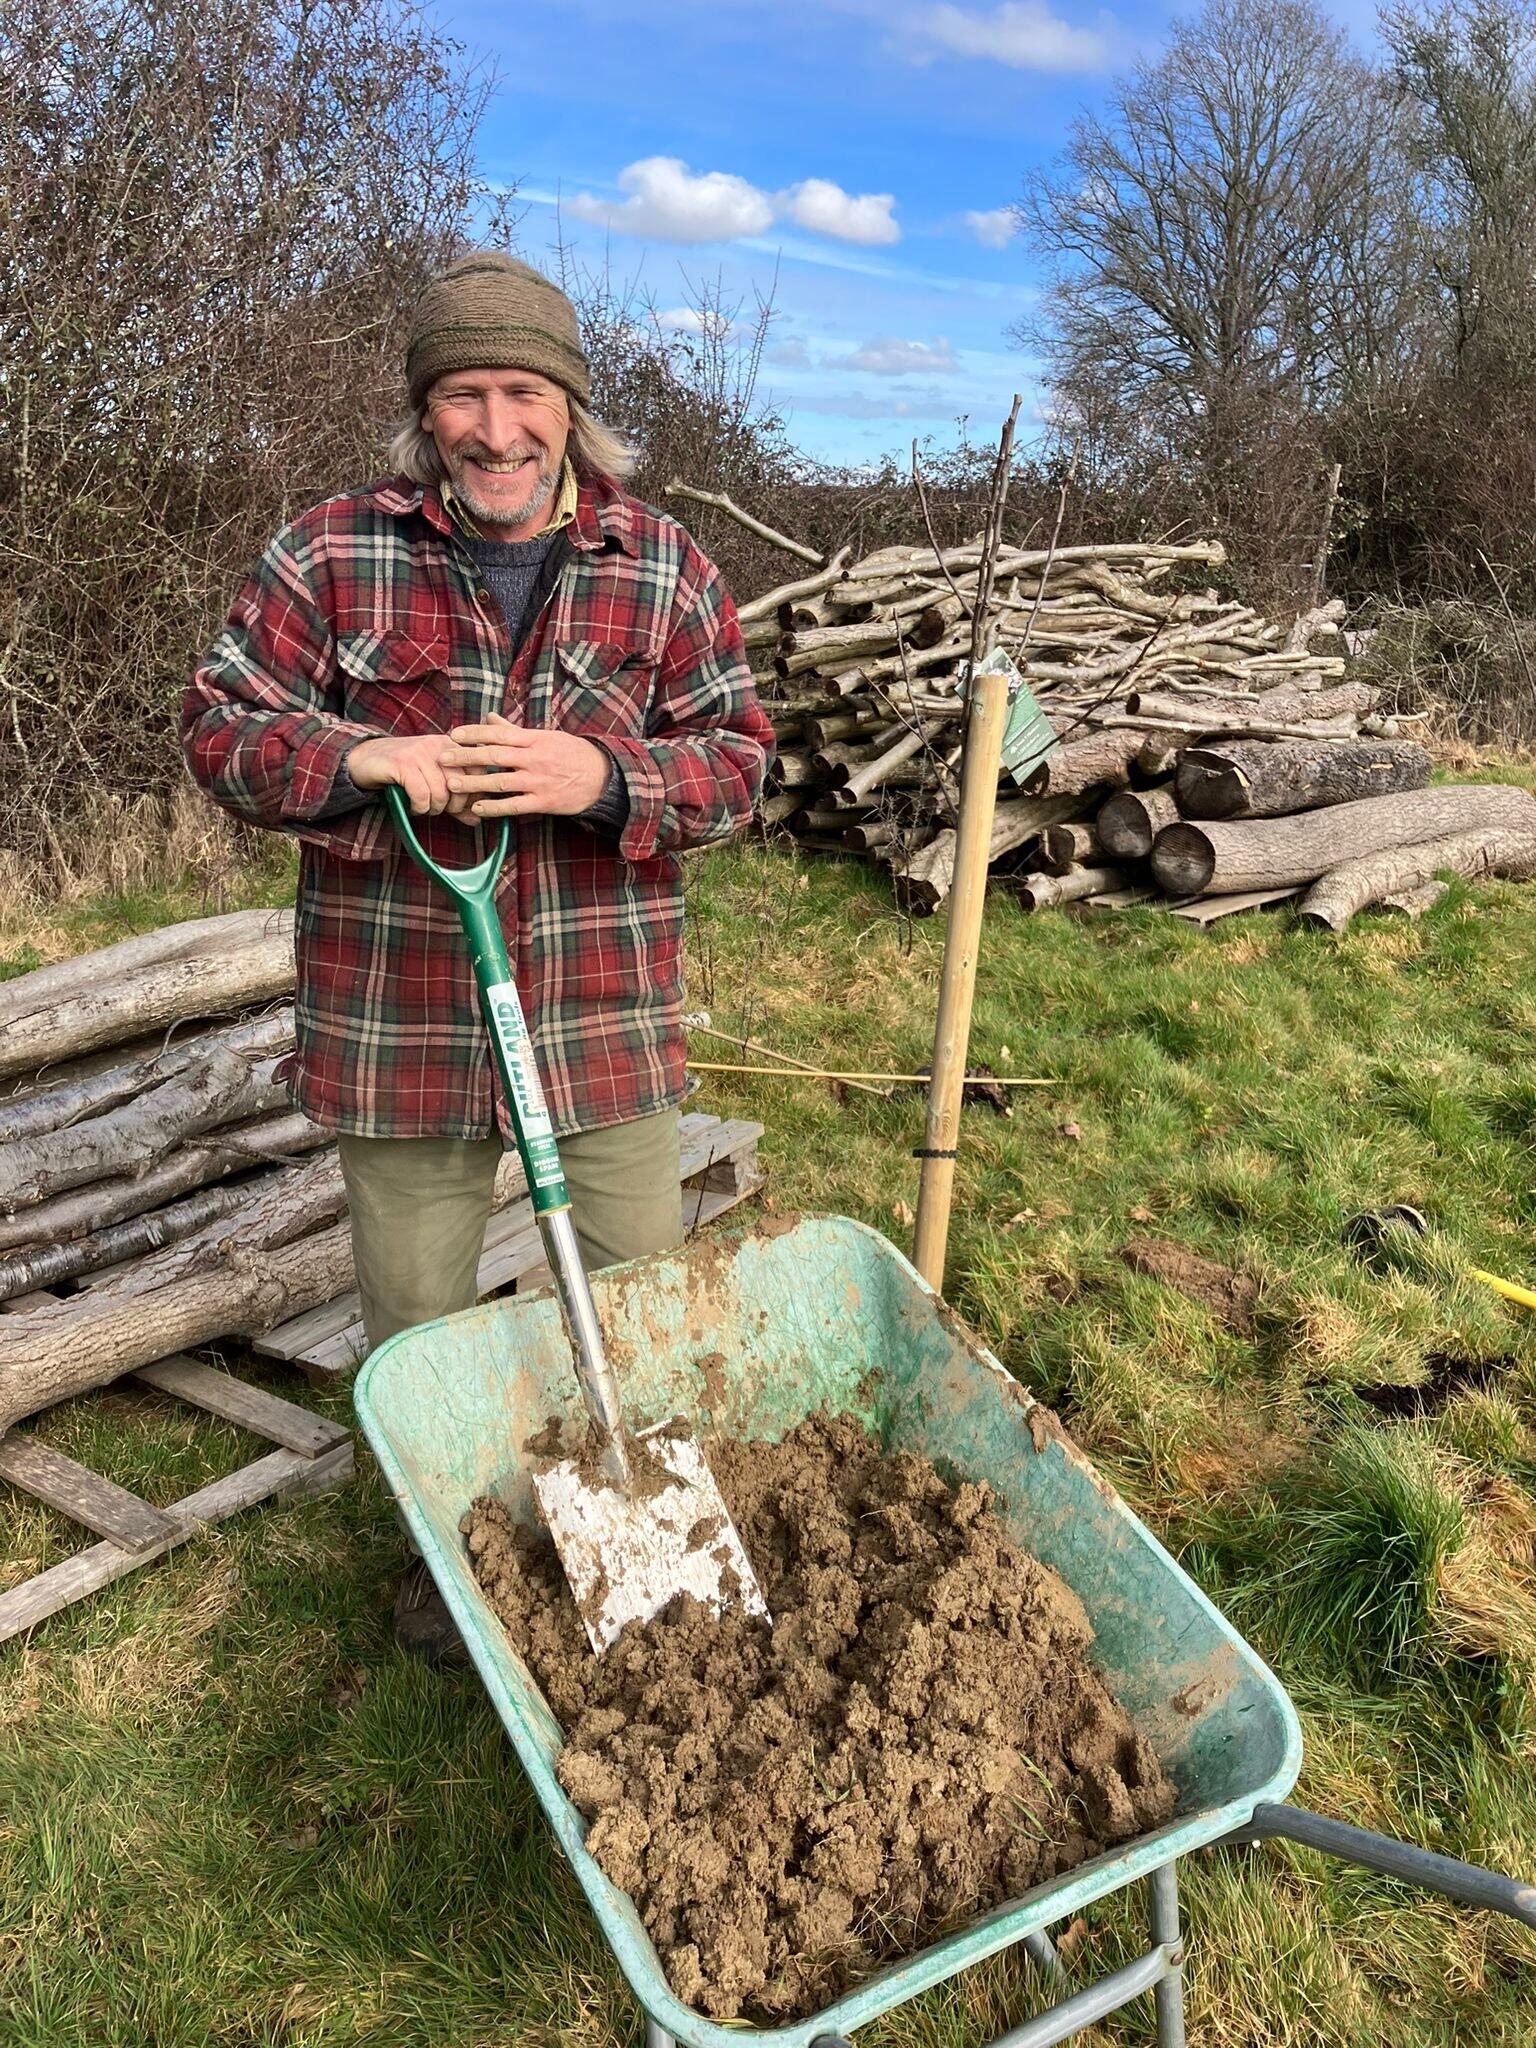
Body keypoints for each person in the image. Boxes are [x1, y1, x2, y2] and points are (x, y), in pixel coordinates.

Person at [182, 251, 773, 1661]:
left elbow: (742, 765)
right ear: (424, 413)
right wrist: (359, 754)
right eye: (462, 394)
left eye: (523, 393)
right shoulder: (331, 555)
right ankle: (450, 1560)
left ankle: (650, 1557)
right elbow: (220, 731)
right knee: (421, 1318)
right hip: (403, 1021)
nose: (494, 428)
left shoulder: (665, 565)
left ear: (571, 408)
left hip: (603, 1017)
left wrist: (602, 776)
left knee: (633, 1298)